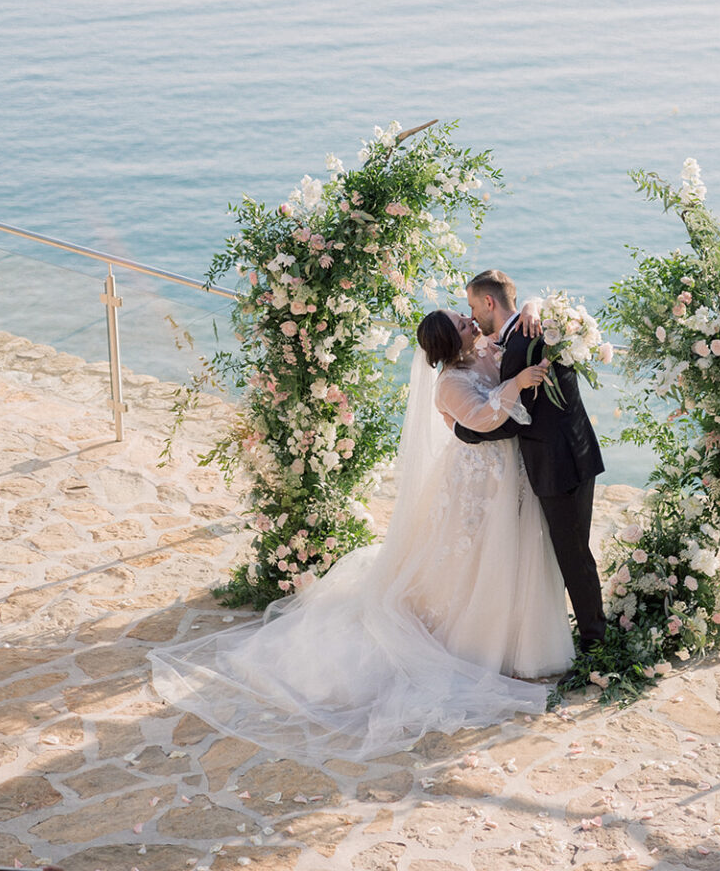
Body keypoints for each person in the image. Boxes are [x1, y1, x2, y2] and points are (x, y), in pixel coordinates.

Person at [150, 310, 574, 762]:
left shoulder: (483, 353)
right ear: (452, 342)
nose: (472, 322)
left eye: (468, 317)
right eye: (463, 323)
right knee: (468, 558)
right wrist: (516, 385)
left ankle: (510, 634)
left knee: (497, 555)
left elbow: (505, 342)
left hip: (501, 474)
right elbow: (482, 417)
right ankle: (478, 640)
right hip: (473, 482)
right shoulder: (448, 381)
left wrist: (527, 321)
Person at [455, 269, 606, 659]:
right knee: (573, 550)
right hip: (576, 452)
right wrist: (531, 302)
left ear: (489, 302)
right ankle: (588, 629)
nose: (471, 316)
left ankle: (595, 642)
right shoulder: (536, 329)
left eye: (473, 306)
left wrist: (464, 431)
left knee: (572, 554)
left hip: (559, 465)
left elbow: (510, 421)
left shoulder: (521, 347)